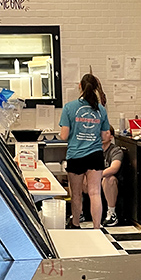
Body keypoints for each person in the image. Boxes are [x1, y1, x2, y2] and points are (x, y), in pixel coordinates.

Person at [59, 73, 110, 229]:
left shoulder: (69, 107)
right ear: (95, 89)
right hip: (95, 155)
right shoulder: (100, 109)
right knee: (95, 192)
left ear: (79, 86)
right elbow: (105, 135)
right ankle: (96, 227)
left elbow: (64, 135)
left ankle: (75, 223)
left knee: (76, 194)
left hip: (76, 155)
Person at [100, 125, 124, 227]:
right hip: (95, 181)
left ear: (111, 137)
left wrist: (96, 176)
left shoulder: (115, 151)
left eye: (106, 132)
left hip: (112, 182)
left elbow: (114, 168)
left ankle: (112, 213)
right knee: (78, 177)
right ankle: (80, 212)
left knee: (108, 179)